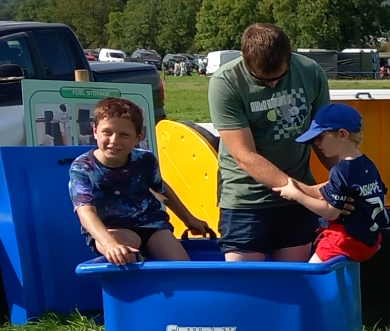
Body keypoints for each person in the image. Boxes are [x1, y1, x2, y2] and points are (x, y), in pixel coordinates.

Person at [207, 22, 333, 261]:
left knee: (291, 288)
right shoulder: (225, 82)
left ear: (290, 57)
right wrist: (303, 190)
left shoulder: (310, 72)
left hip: (297, 204)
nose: (273, 85)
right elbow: (245, 157)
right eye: (263, 80)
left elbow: (324, 137)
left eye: (281, 76)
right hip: (246, 201)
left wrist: (347, 176)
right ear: (245, 60)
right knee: (247, 290)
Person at [68, 97, 210, 265]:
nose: (114, 141)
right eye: (107, 132)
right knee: (122, 254)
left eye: (124, 135)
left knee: (182, 268)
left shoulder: (145, 159)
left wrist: (189, 219)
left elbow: (162, 190)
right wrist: (110, 244)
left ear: (138, 137)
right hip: (112, 231)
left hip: (151, 226)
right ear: (95, 131)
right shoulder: (83, 168)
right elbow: (86, 212)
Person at [272, 103, 389, 263]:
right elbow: (379, 194)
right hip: (369, 240)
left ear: (342, 135)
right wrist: (297, 186)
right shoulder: (366, 164)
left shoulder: (340, 170)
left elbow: (330, 212)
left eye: (320, 137)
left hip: (344, 241)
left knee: (310, 277)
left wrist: (296, 195)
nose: (316, 144)